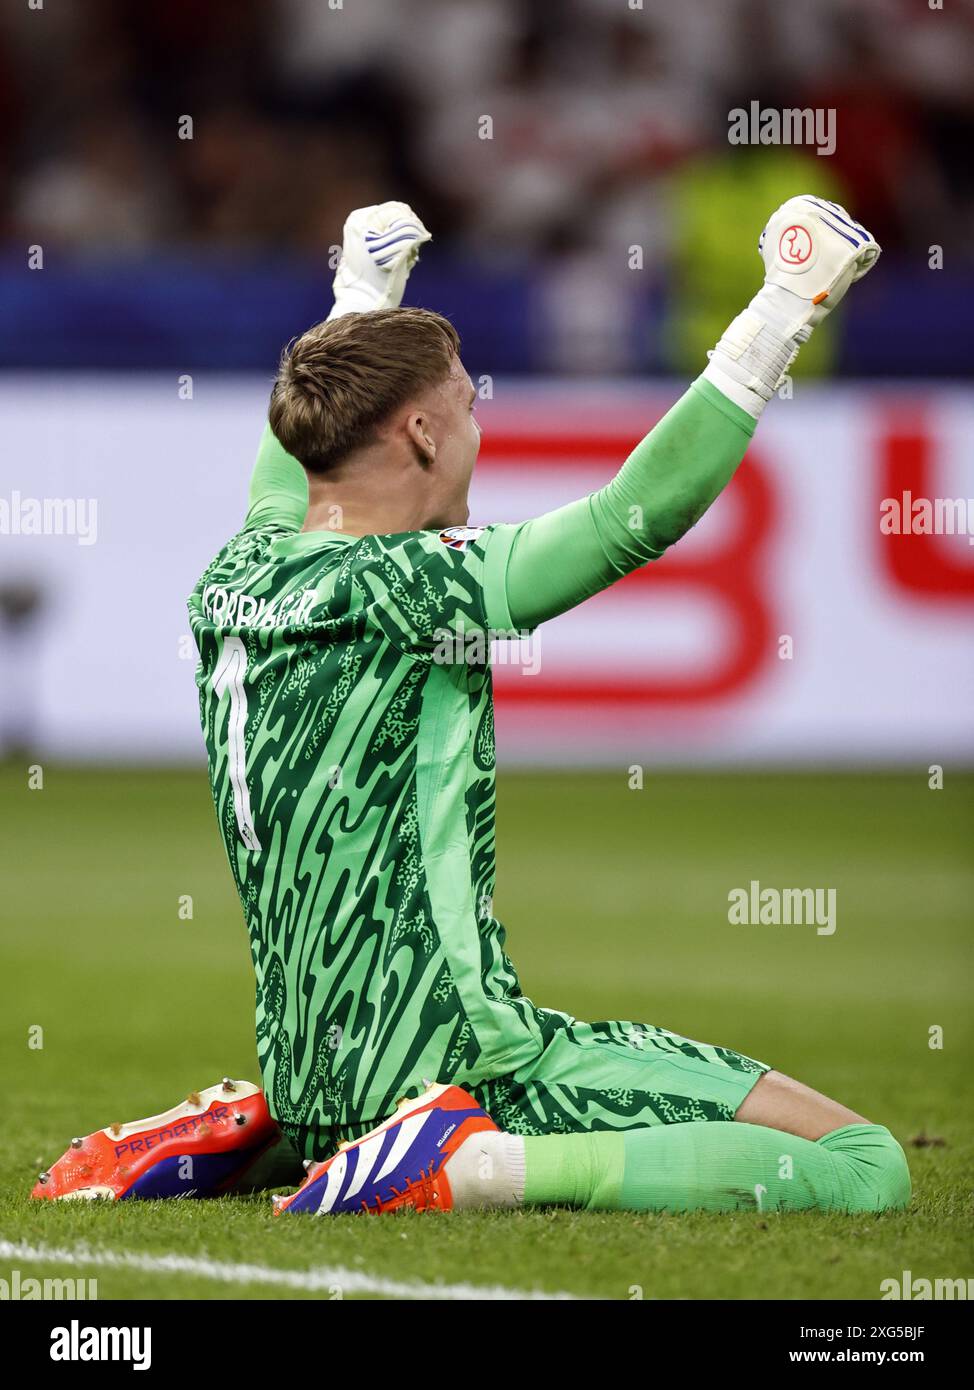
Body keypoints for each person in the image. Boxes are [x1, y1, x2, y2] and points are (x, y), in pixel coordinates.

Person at [34, 198, 911, 1217]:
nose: (477, 431)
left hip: (317, 1082)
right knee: (864, 1161)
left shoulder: (238, 567)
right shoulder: (408, 584)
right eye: (467, 407)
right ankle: (475, 1165)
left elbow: (290, 462)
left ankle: (265, 1137)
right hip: (462, 1067)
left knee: (355, 1091)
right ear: (417, 432)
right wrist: (777, 313)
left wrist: (357, 297)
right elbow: (634, 518)